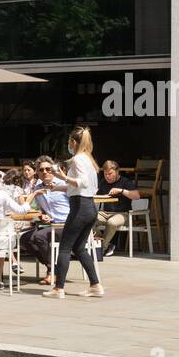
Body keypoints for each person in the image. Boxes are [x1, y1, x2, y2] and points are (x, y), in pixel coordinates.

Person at [44, 127, 104, 299]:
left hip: (79, 208)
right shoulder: (89, 160)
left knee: (64, 248)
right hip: (90, 207)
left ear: (73, 142)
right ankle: (95, 285)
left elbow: (82, 182)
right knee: (79, 248)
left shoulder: (77, 159)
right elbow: (83, 186)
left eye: (69, 141)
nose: (68, 144)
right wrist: (59, 187)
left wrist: (63, 178)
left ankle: (58, 288)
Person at [19, 157, 70, 283]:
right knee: (25, 239)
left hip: (66, 225)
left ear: (53, 170)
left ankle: (52, 272)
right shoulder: (37, 188)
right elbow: (39, 210)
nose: (45, 172)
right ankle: (52, 267)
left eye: (48, 169)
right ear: (37, 172)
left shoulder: (64, 185)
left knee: (39, 237)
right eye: (41, 170)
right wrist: (42, 215)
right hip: (51, 225)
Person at [96, 159, 140, 255]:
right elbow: (98, 195)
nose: (107, 176)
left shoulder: (125, 182)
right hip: (105, 212)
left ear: (117, 171)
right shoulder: (103, 182)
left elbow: (137, 196)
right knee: (87, 218)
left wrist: (121, 191)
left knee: (111, 222)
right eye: (105, 174)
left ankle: (101, 249)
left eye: (110, 174)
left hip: (122, 213)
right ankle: (102, 241)